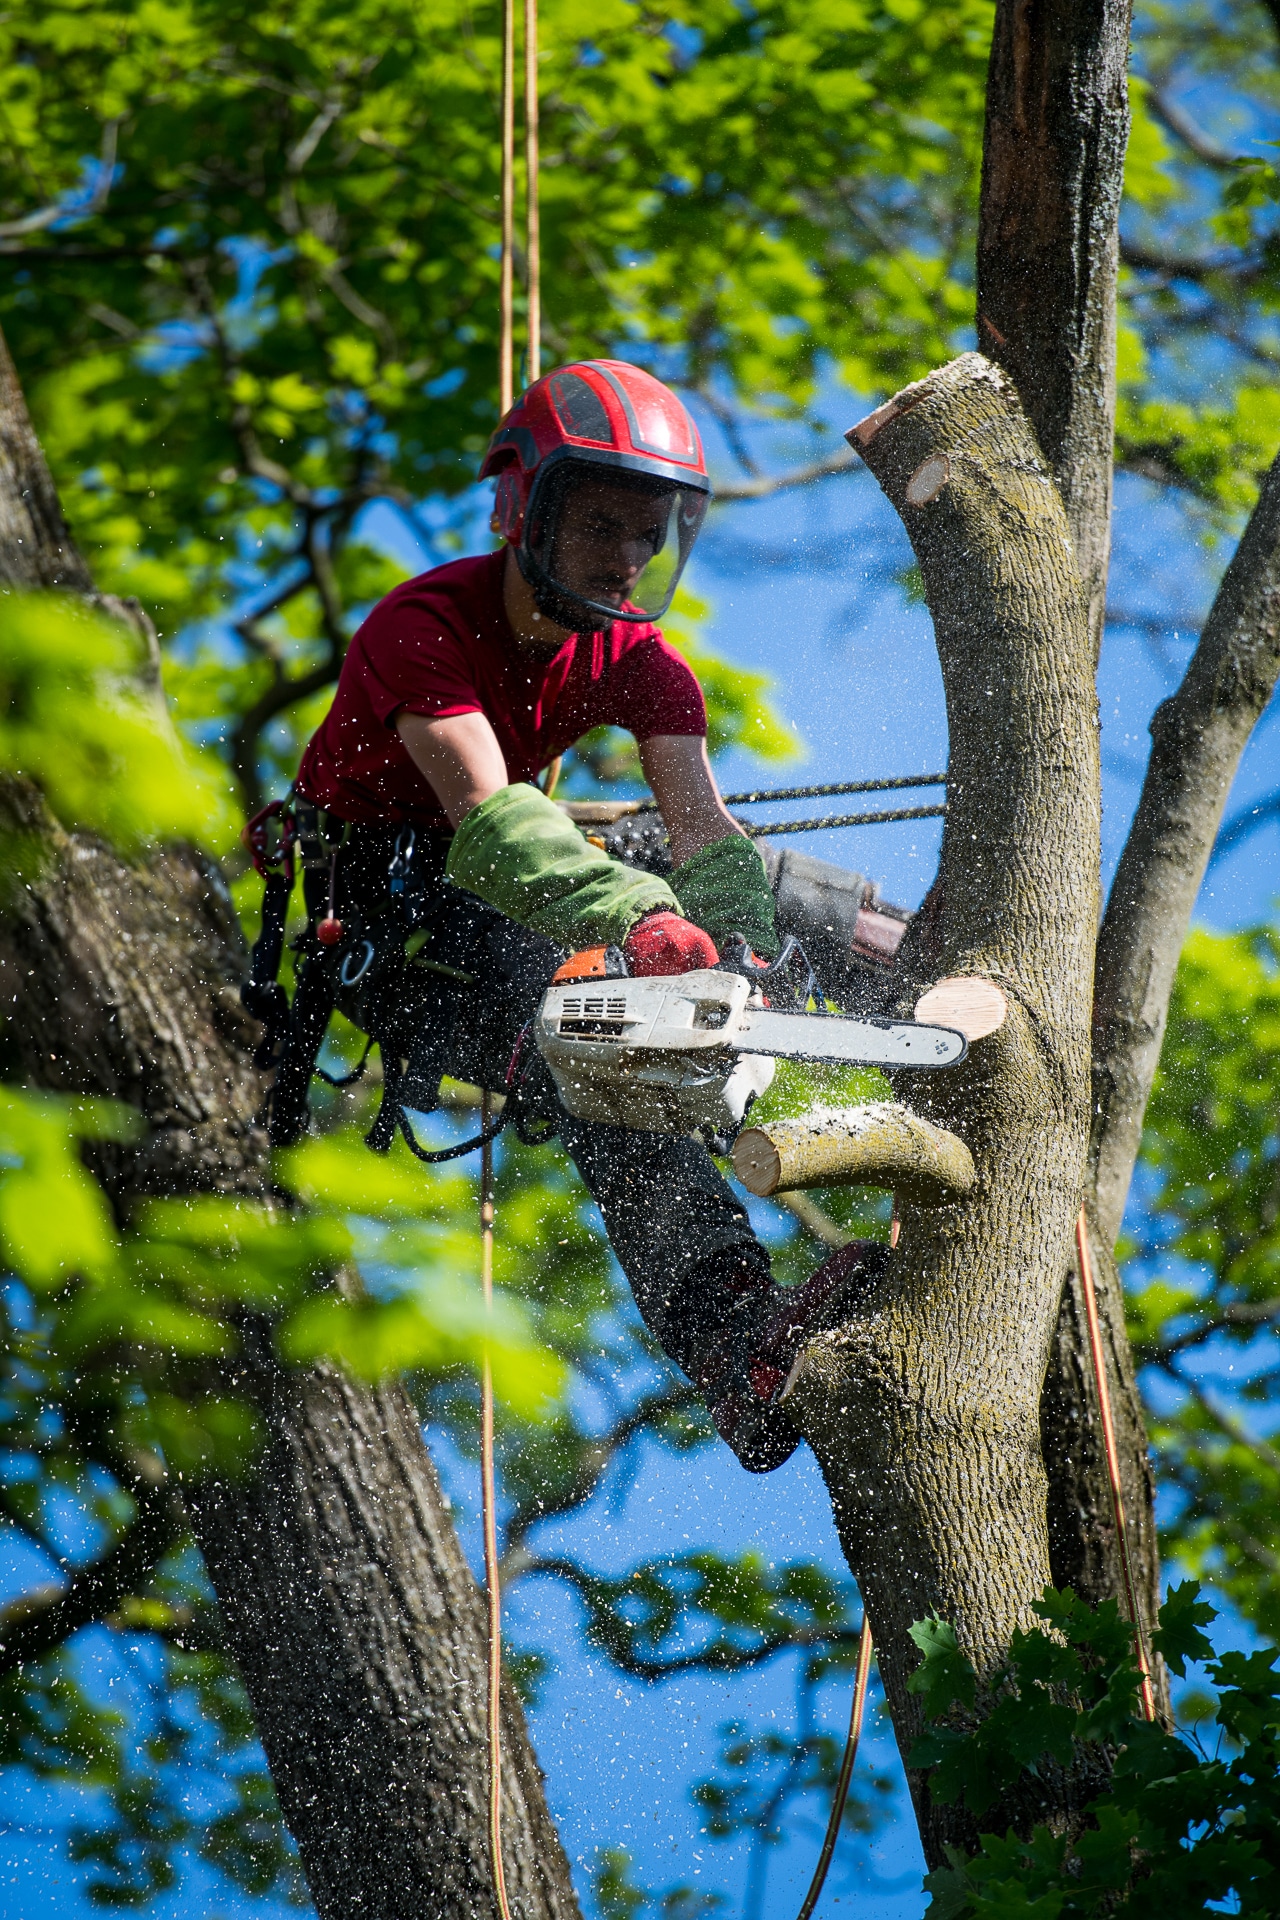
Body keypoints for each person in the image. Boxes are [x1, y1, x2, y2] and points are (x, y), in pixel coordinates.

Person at [273, 360, 877, 1472]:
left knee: (775, 897)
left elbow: (702, 830)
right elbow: (494, 822)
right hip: (406, 932)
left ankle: (922, 1007)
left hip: (530, 887)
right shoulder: (422, 628)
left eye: (649, 533)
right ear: (524, 508)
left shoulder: (640, 661)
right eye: (601, 523)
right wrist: (644, 926)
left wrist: (736, 943)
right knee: (606, 1053)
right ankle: (738, 1348)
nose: (626, 556)